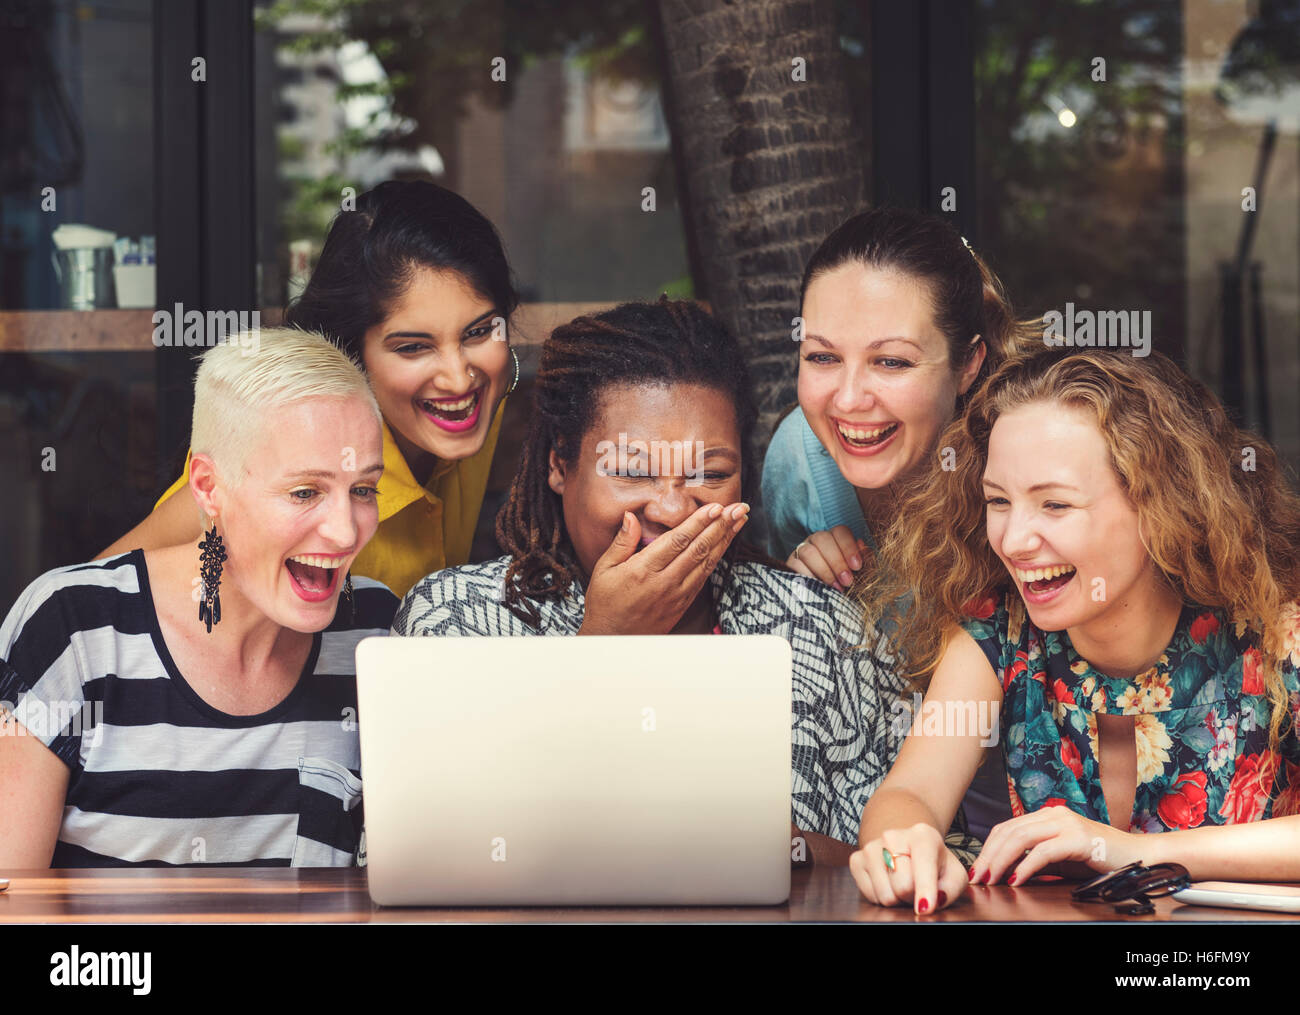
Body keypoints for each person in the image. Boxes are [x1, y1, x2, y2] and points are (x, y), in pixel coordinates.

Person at [392, 299, 974, 865]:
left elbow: (925, 861)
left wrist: (787, 850)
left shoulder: (824, 631)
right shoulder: (456, 624)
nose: (672, 509)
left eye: (711, 473)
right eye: (631, 470)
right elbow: (420, 859)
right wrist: (606, 647)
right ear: (559, 464)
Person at [849, 346, 1300, 914]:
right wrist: (903, 846)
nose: (1013, 541)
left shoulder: (1274, 624)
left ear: (1162, 503)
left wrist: (1127, 850)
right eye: (998, 501)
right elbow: (908, 794)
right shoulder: (998, 629)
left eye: (1055, 505)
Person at [0, 328, 398, 867]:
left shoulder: (376, 634)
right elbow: (9, 903)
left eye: (363, 490)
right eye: (305, 491)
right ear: (208, 487)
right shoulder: (74, 630)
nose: (346, 532)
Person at [98, 180, 521, 598]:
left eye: (479, 332)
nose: (458, 377)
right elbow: (92, 596)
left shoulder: (482, 411)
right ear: (352, 351)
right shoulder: (275, 439)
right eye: (413, 347)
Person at [762, 205, 1037, 590]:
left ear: (968, 365)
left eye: (891, 361)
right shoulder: (797, 460)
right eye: (823, 357)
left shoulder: (1029, 468)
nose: (848, 400)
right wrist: (801, 594)